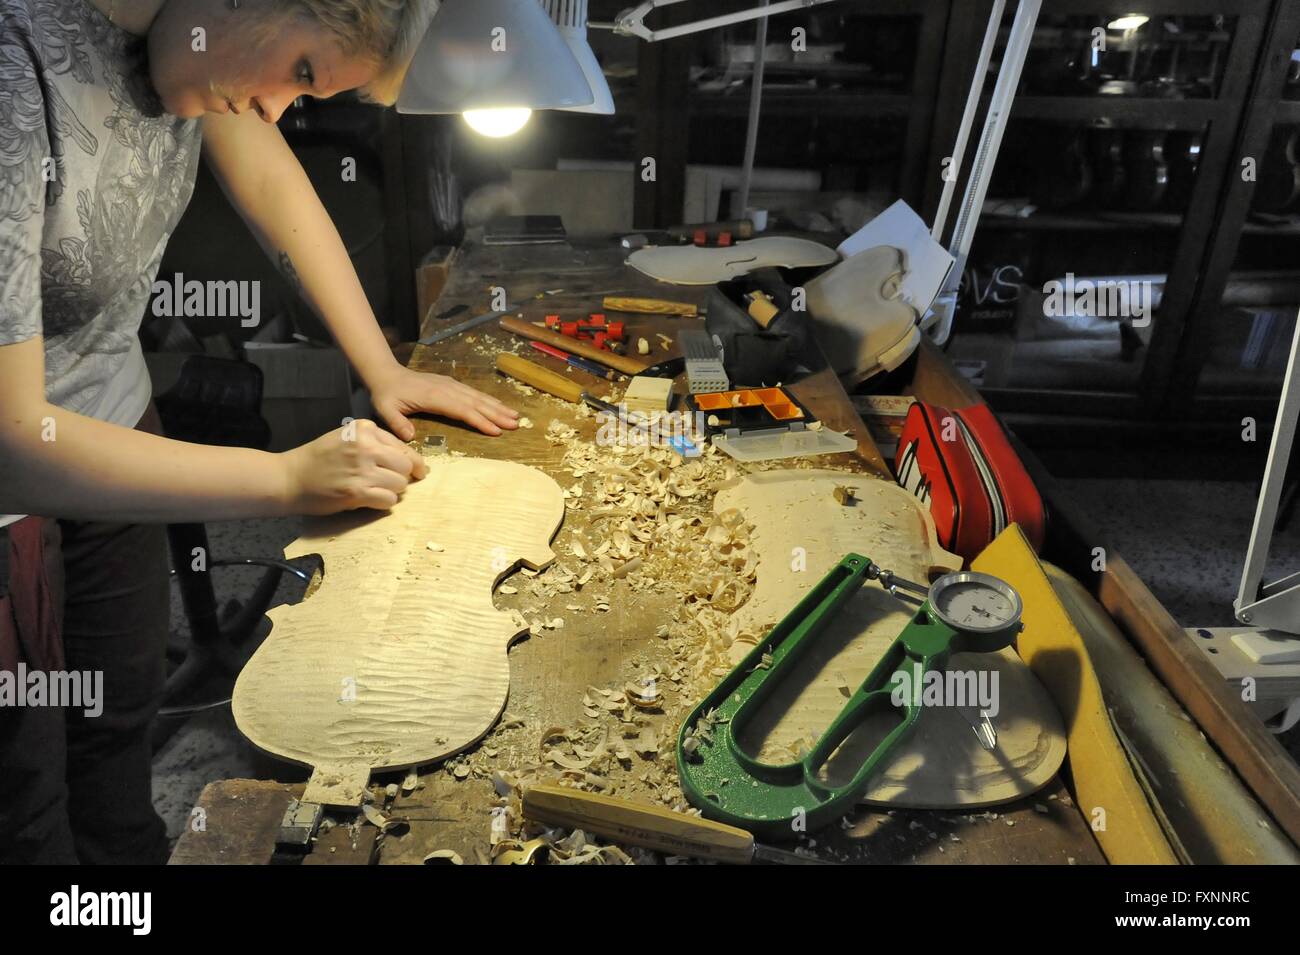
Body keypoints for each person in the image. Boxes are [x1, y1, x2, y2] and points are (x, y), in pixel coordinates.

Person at [0, 0, 517, 864]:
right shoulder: (17, 64)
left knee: (115, 738)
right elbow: (15, 442)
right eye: (305, 70)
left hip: (114, 418)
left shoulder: (203, 45)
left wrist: (380, 366)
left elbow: (273, 182)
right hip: (14, 478)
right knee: (23, 800)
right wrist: (283, 480)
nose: (281, 107)